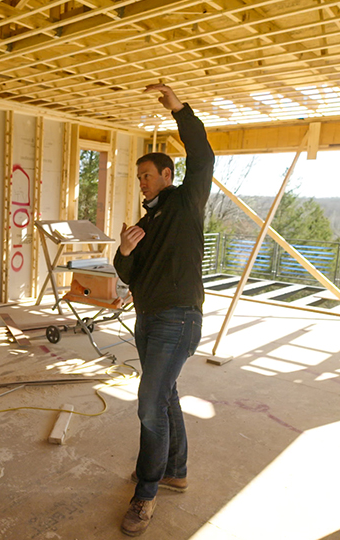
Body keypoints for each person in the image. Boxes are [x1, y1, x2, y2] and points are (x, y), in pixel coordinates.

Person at [113, 84, 214, 536]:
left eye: (148, 175)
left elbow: (204, 157)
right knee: (165, 394)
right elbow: (130, 276)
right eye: (138, 178)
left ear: (169, 175)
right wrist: (124, 250)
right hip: (149, 318)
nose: (143, 182)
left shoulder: (185, 202)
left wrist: (180, 110)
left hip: (178, 318)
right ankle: (176, 469)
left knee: (149, 404)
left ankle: (147, 492)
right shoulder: (145, 221)